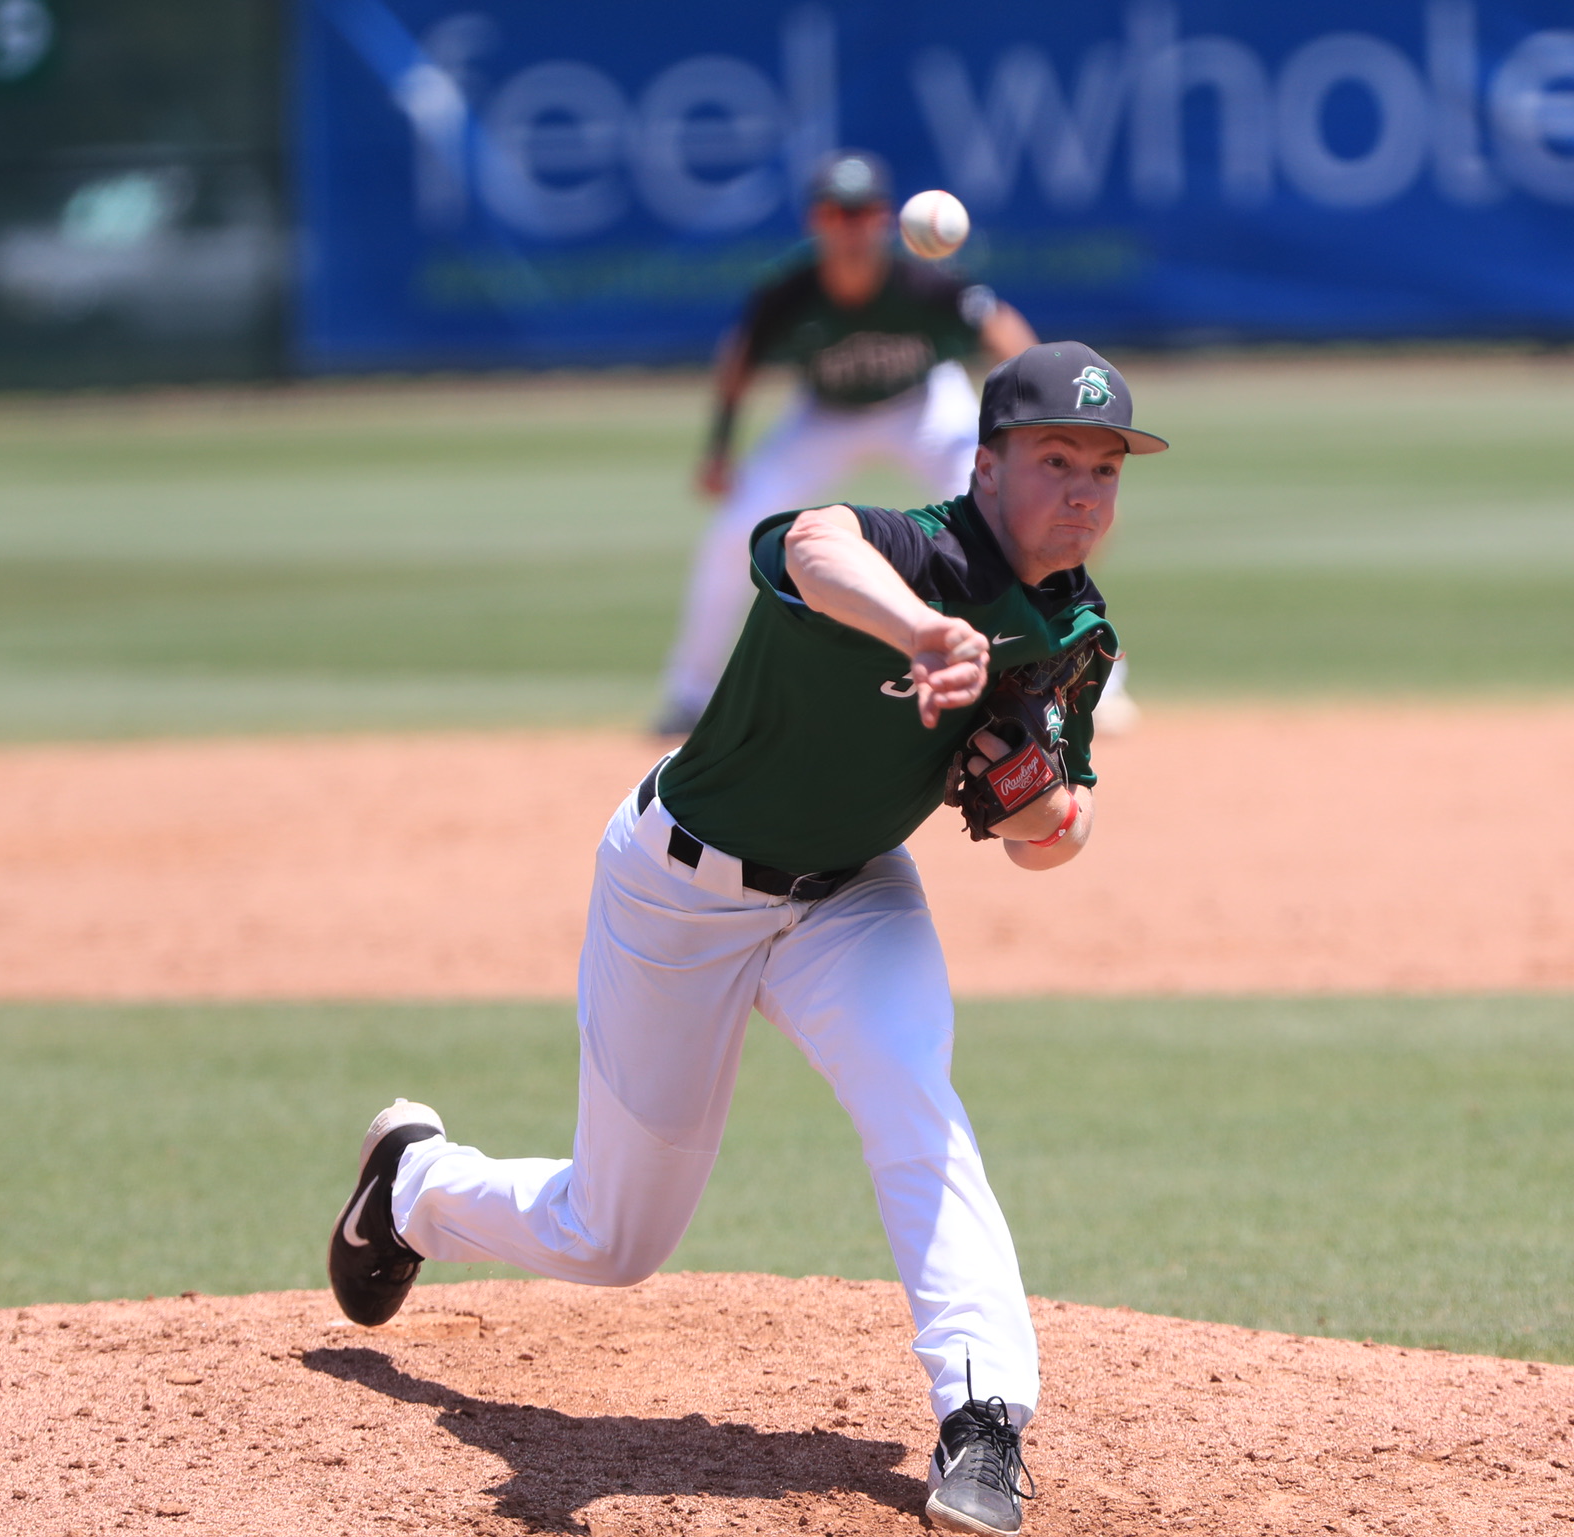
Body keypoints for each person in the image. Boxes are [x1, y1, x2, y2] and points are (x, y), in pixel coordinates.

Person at [330, 341, 1167, 1537]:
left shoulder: (1075, 628)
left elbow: (1055, 839)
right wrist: (924, 632)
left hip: (850, 896)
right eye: (1054, 460)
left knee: (911, 1098)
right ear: (984, 465)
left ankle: (983, 1420)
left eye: (1105, 468)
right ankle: (413, 1184)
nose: (1085, 490)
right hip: (678, 890)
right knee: (610, 1237)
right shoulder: (913, 547)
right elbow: (807, 540)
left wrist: (1037, 797)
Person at [649, 147, 1038, 739]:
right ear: (816, 222)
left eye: (862, 213)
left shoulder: (922, 280)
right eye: (837, 213)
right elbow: (739, 362)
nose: (851, 226)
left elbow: (1004, 332)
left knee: (1015, 515)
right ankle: (689, 692)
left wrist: (1035, 419)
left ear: (884, 219)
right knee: (735, 532)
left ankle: (1085, 679)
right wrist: (719, 449)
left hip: (923, 407)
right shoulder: (789, 289)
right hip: (823, 417)